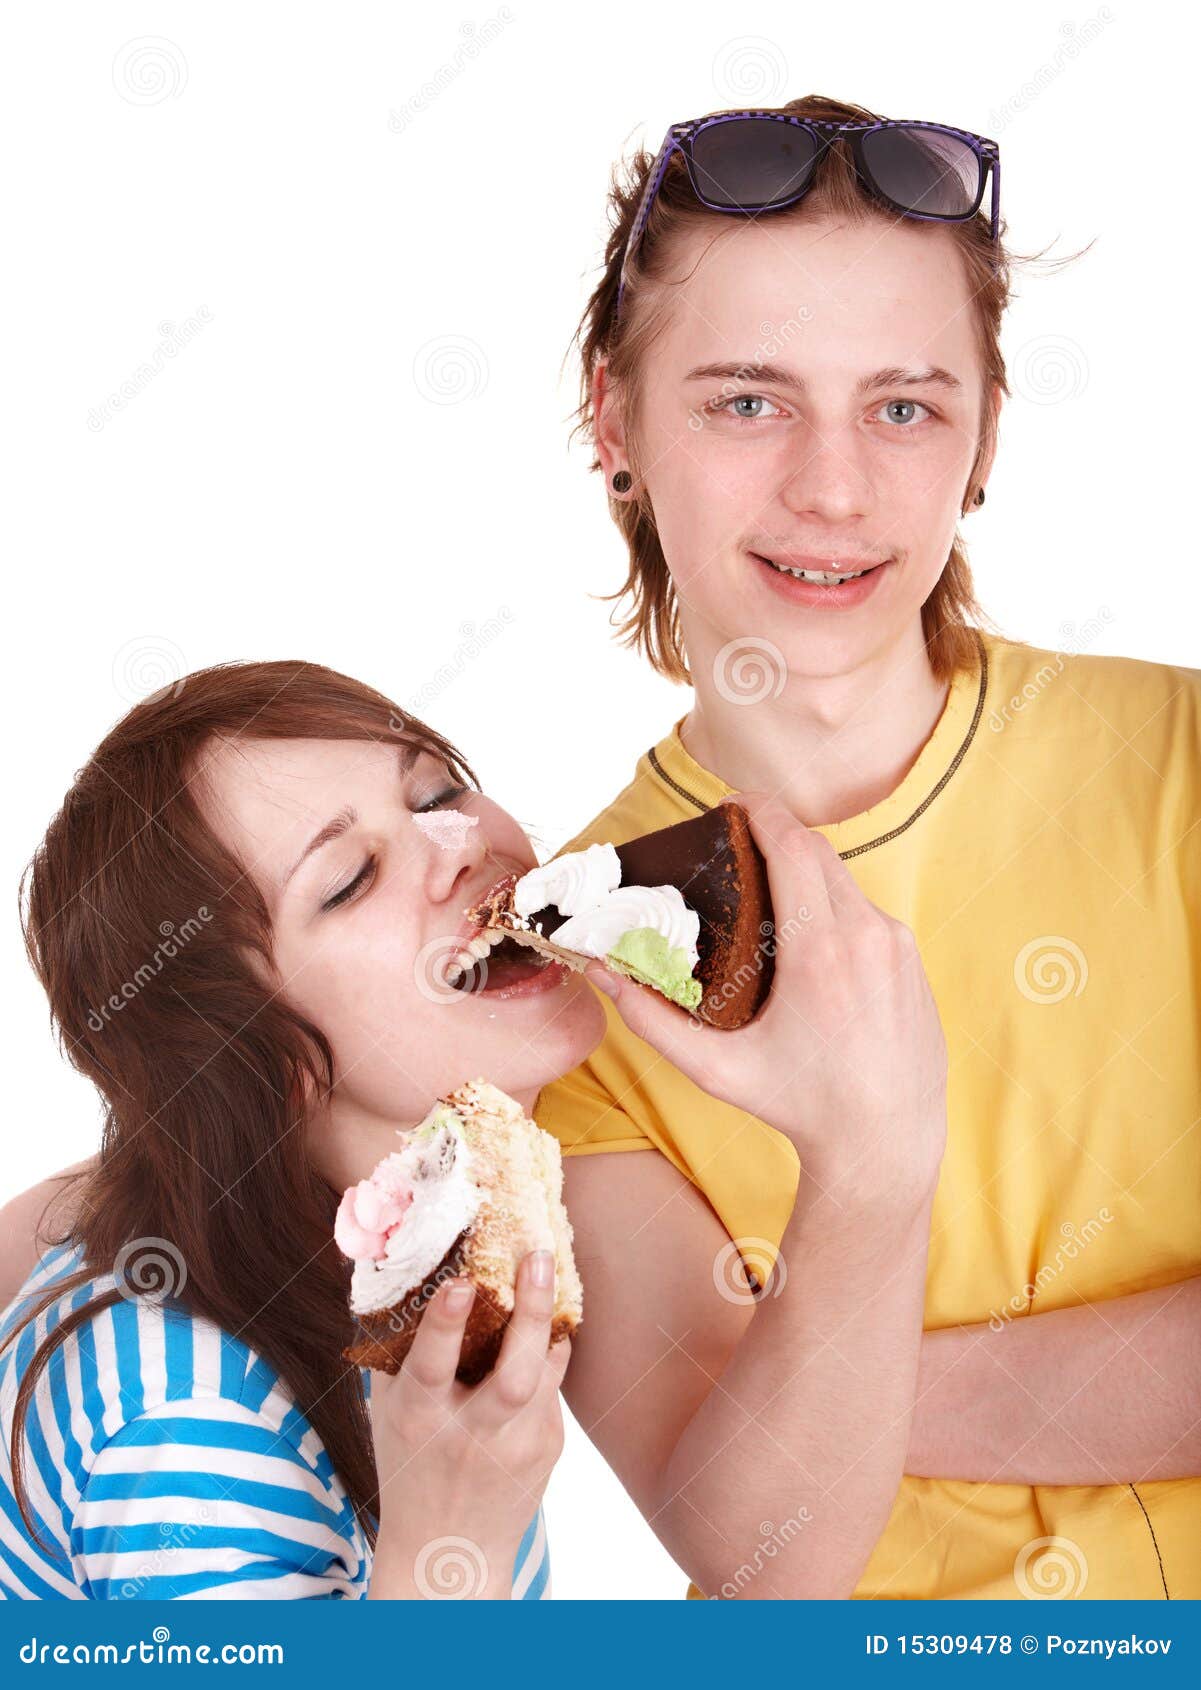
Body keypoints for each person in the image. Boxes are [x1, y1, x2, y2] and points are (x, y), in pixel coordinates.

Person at [531, 92, 1201, 1599]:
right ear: (615, 425)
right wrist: (870, 1170)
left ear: (982, 440)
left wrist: (826, 1392)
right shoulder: (558, 973)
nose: (833, 489)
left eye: (903, 405)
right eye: (746, 401)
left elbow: (756, 1461)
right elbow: (757, 1550)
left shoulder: (1185, 767)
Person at [0, 659, 950, 1600]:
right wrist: (442, 1552)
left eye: (435, 788)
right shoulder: (191, 1422)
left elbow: (771, 1539)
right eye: (349, 879)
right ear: (264, 1064)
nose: (457, 841)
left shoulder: (465, 1212)